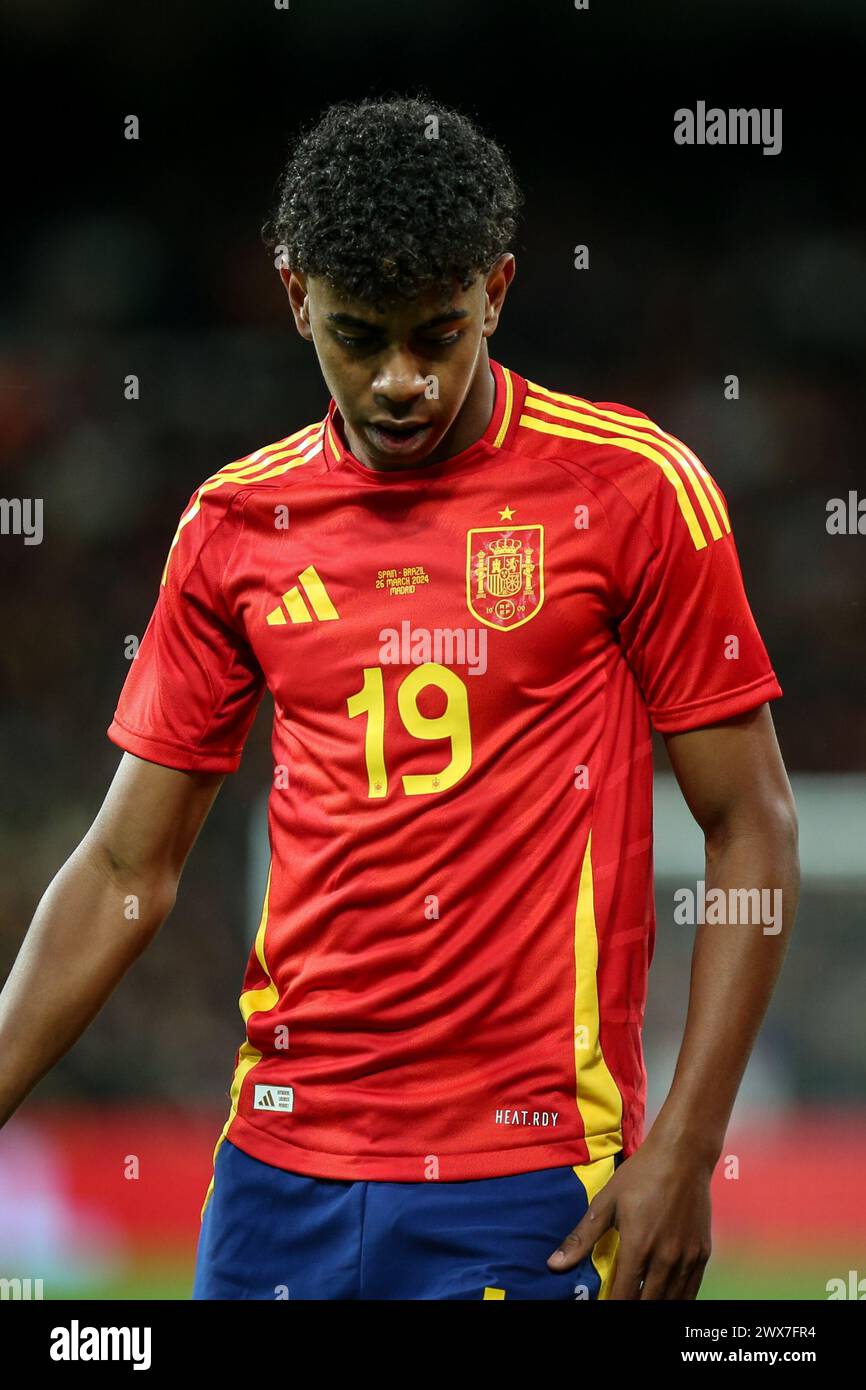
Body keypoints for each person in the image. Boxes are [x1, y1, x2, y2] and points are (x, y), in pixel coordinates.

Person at [0, 96, 799, 1300]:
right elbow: (126, 869)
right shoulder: (232, 527)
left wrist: (687, 1144)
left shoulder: (633, 492)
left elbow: (750, 822)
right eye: (357, 335)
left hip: (531, 1175)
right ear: (292, 300)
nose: (401, 384)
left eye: (436, 334)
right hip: (276, 1165)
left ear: (496, 289)